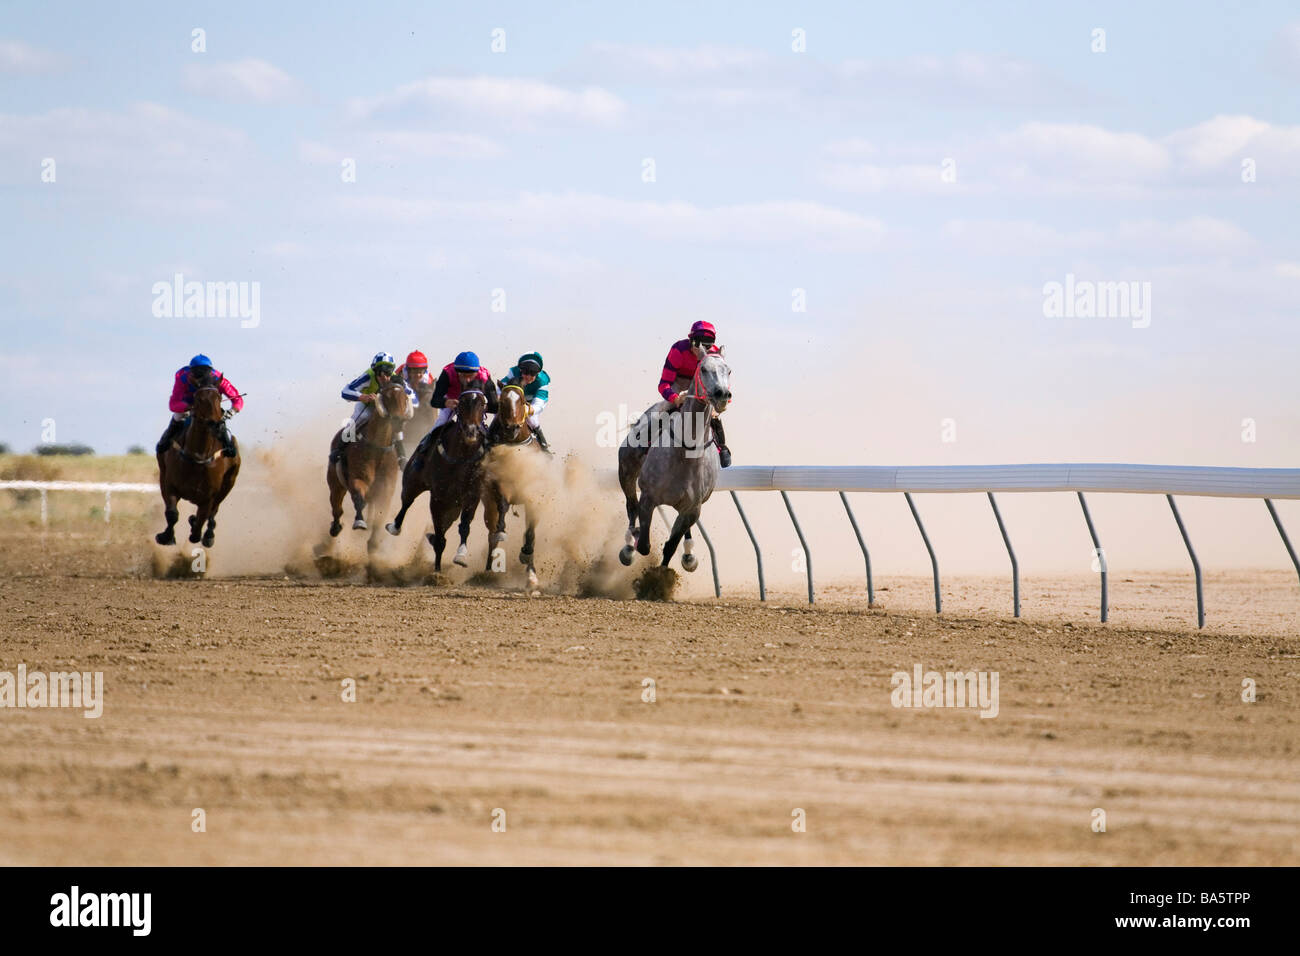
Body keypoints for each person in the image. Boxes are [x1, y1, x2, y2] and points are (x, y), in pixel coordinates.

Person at [408, 351, 499, 472]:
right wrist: (446, 403)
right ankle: (421, 456)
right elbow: (435, 401)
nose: (466, 380)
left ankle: (497, 459)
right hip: (452, 401)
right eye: (462, 375)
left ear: (476, 373)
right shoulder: (448, 373)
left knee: (491, 428)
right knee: (439, 424)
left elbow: (495, 406)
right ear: (456, 371)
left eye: (470, 375)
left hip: (473, 404)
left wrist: (482, 407)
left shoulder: (484, 376)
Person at [657, 321, 731, 467]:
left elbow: (723, 386)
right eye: (698, 344)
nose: (702, 349)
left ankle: (721, 447)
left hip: (702, 385)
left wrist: (719, 406)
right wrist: (675, 398)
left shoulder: (715, 356)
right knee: (666, 408)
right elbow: (664, 384)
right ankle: (645, 445)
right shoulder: (678, 350)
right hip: (679, 383)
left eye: (707, 346)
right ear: (691, 340)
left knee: (712, 415)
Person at [333, 352, 417, 467]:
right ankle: (339, 449)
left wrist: (404, 400)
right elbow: (345, 391)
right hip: (367, 405)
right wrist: (363, 397)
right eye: (379, 372)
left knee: (396, 423)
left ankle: (401, 457)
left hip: (385, 407)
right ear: (374, 371)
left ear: (391, 371)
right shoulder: (367, 376)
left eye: (387, 372)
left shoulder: (396, 379)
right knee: (362, 417)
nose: (384, 377)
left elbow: (413, 396)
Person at [157, 354, 242, 458]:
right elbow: (173, 404)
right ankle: (164, 442)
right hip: (188, 405)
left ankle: (228, 446)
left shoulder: (218, 379)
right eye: (197, 372)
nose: (200, 376)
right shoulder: (182, 376)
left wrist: (231, 412)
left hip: (210, 405)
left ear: (210, 371)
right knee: (178, 416)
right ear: (191, 371)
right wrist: (188, 407)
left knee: (219, 420)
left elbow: (237, 399)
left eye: (204, 371)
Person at [498, 351, 553, 453]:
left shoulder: (542, 381)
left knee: (532, 419)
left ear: (537, 373)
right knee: (500, 415)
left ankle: (544, 447)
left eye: (532, 374)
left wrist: (527, 409)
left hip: (532, 403)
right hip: (513, 400)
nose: (528, 376)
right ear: (520, 370)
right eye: (525, 373)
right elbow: (501, 386)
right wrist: (498, 396)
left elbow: (539, 403)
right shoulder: (513, 372)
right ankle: (487, 440)